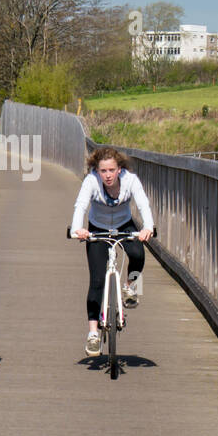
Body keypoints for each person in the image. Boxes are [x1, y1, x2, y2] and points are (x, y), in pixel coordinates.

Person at [70, 146, 154, 357]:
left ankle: (128, 287)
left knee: (138, 255)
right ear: (97, 171)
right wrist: (77, 229)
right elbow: (80, 205)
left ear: (119, 170)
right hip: (97, 228)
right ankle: (93, 334)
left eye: (111, 170)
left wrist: (148, 228)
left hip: (124, 225)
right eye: (103, 171)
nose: (107, 175)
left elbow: (143, 203)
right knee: (97, 281)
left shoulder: (131, 180)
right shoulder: (91, 181)